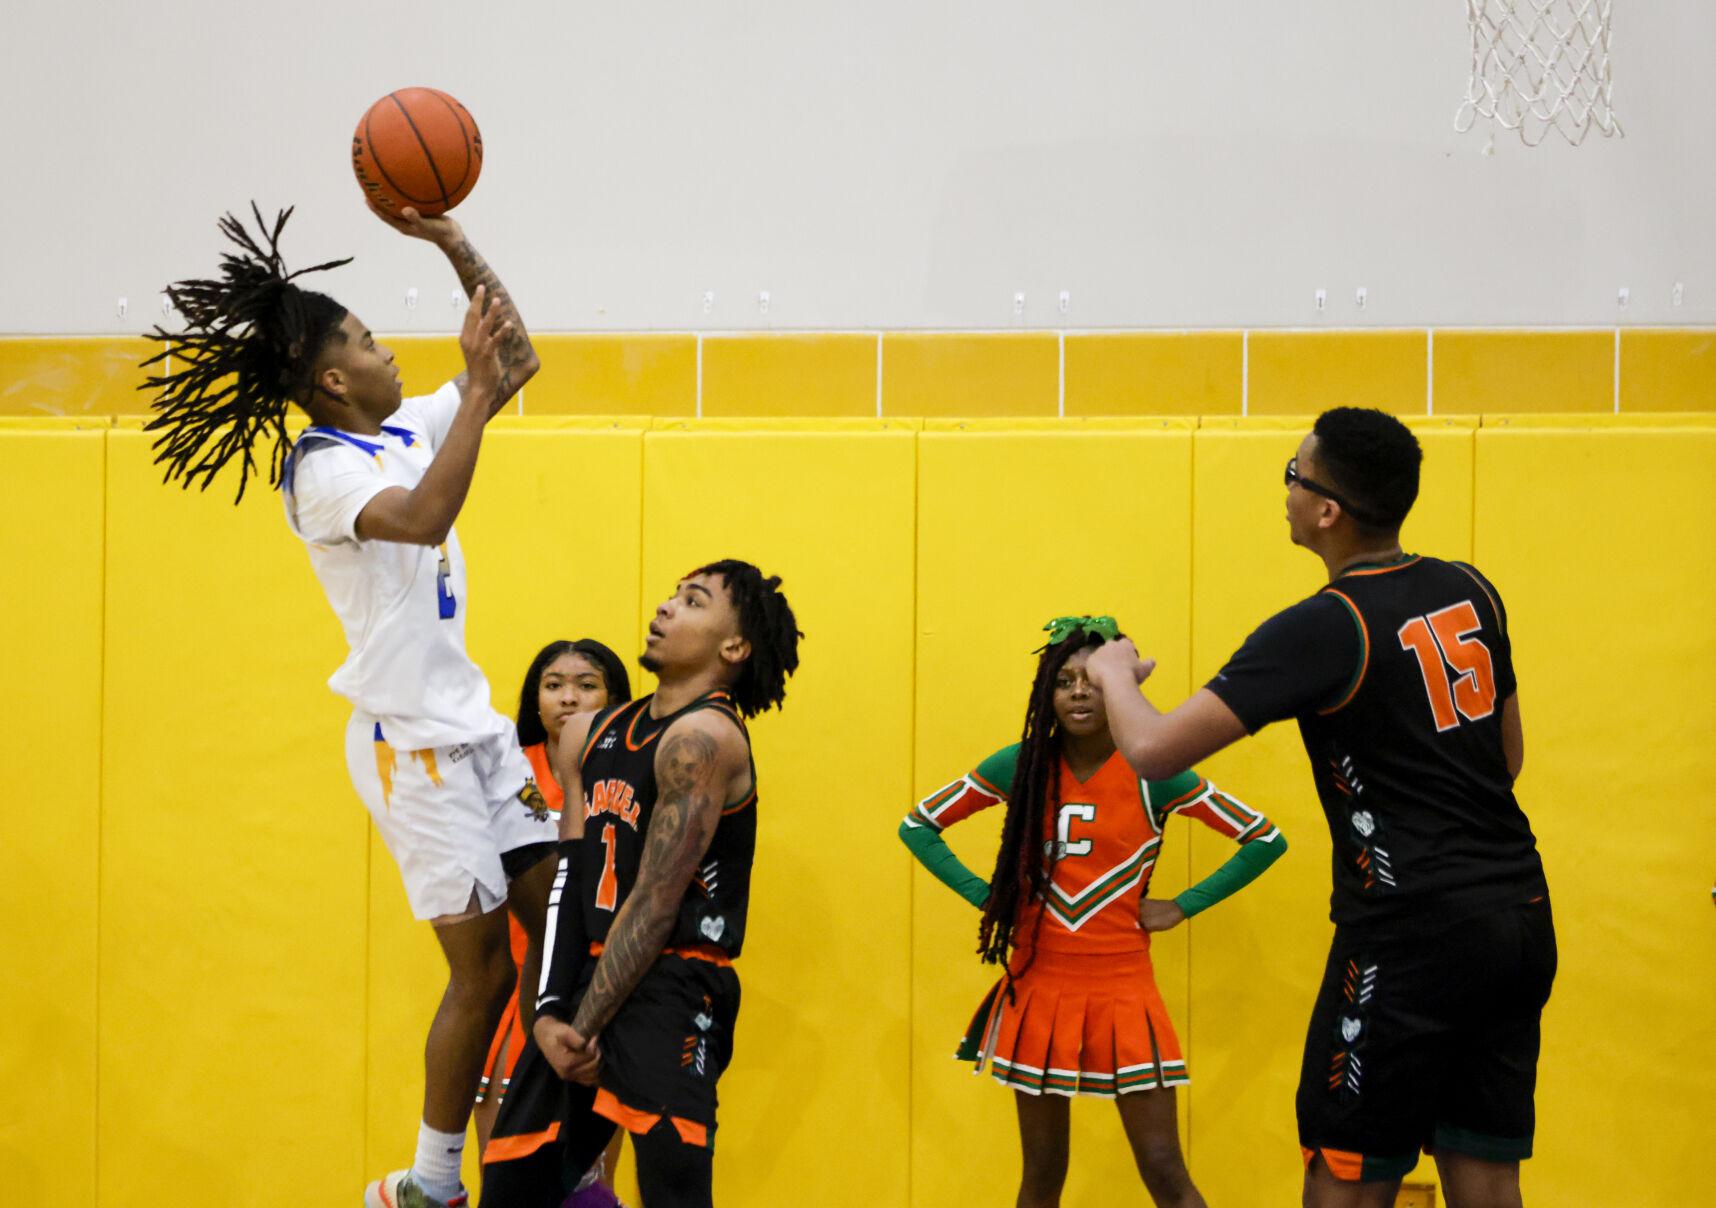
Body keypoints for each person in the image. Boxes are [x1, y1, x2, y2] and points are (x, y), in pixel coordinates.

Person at [144, 201, 557, 1208]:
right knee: (483, 973)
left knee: (560, 918)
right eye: (369, 340)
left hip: (474, 727)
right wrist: (469, 401)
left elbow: (519, 360)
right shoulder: (322, 467)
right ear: (331, 377)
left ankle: (544, 1129)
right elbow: (424, 517)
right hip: (407, 744)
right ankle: (429, 1179)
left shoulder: (408, 426)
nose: (388, 351)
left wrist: (456, 247)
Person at [1083, 408, 1554, 1208]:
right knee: (1484, 1175)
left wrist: (1115, 674)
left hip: (1407, 940)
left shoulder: (1324, 627)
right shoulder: (1469, 586)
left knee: (1345, 1175)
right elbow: (1505, 760)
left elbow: (1154, 752)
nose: (1289, 491)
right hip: (1518, 915)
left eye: (1293, 477)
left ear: (1327, 510)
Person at [901, 616, 1286, 1208]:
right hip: (1040, 986)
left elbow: (1263, 838)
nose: (1079, 692)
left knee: (1163, 1168)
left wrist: (1183, 906)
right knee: (1042, 1174)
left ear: (1121, 688)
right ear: (1045, 694)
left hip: (1124, 987)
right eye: (1064, 681)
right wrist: (993, 899)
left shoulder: (1157, 769)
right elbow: (919, 825)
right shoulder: (1021, 764)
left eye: (1094, 681)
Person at [482, 561, 802, 1208]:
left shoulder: (704, 740)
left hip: (674, 986)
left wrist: (584, 1020)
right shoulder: (587, 733)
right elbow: (569, 882)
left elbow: (656, 905)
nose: (664, 607)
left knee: (671, 1191)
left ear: (733, 647)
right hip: (585, 976)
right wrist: (548, 1015)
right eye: (671, 594)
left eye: (691, 601)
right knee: (511, 1182)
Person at [475, 639, 635, 1204]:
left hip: (596, 975)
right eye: (553, 685)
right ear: (534, 699)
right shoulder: (504, 772)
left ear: (616, 698)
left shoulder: (636, 771)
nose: (569, 697)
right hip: (521, 968)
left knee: (590, 1167)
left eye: (587, 684)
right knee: (502, 1135)